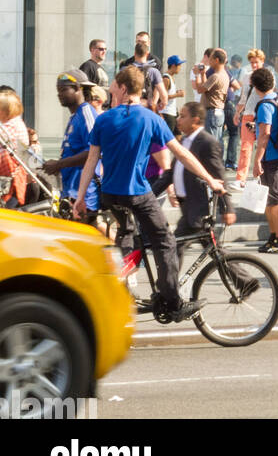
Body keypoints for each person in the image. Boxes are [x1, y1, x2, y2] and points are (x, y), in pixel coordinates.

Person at [72, 66, 225, 321]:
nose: (111, 92)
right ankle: (173, 303)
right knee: (165, 241)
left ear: (122, 89)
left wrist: (79, 197)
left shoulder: (103, 119)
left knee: (127, 235)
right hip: (137, 193)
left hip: (110, 194)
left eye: (113, 88)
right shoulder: (152, 118)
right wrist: (211, 179)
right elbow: (182, 155)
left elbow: (91, 161)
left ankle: (121, 288)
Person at [154, 101, 235, 236]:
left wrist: (227, 208)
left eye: (182, 116)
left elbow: (219, 175)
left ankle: (225, 258)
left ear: (195, 120)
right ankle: (223, 258)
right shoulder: (183, 141)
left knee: (174, 250)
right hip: (186, 206)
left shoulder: (207, 142)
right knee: (209, 249)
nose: (178, 120)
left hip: (197, 208)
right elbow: (171, 173)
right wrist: (150, 195)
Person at [40, 73, 101, 224]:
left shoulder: (87, 113)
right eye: (58, 90)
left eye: (63, 90)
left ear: (77, 89)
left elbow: (94, 153)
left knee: (89, 234)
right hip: (71, 191)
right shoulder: (75, 116)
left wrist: (59, 164)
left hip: (85, 194)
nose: (59, 94)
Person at [250, 65, 278, 255]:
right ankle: (273, 236)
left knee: (274, 198)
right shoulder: (277, 99)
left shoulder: (265, 105)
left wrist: (257, 160)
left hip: (271, 157)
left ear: (255, 87)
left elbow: (265, 134)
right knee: (270, 197)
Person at [232, 49, 265, 189]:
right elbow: (244, 97)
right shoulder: (247, 76)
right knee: (246, 147)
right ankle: (241, 179)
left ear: (262, 61)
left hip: (262, 115)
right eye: (252, 62)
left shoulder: (267, 76)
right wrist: (237, 112)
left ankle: (261, 176)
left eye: (256, 62)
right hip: (248, 114)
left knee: (263, 147)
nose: (254, 65)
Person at [193, 46, 229, 152]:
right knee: (217, 141)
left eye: (211, 59)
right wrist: (203, 73)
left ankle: (213, 165)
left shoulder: (216, 76)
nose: (209, 62)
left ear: (217, 60)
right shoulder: (224, 75)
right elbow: (206, 88)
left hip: (211, 112)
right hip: (218, 112)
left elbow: (200, 89)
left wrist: (197, 75)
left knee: (211, 143)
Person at [0, 89, 31, 208]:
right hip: (13, 180)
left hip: (8, 183)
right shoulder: (18, 123)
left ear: (5, 110)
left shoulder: (9, 127)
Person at [133, 37, 168, 114]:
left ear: (134, 53)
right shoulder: (153, 71)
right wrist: (162, 103)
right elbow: (163, 94)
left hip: (130, 107)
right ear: (147, 54)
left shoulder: (126, 70)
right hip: (146, 108)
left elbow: (114, 89)